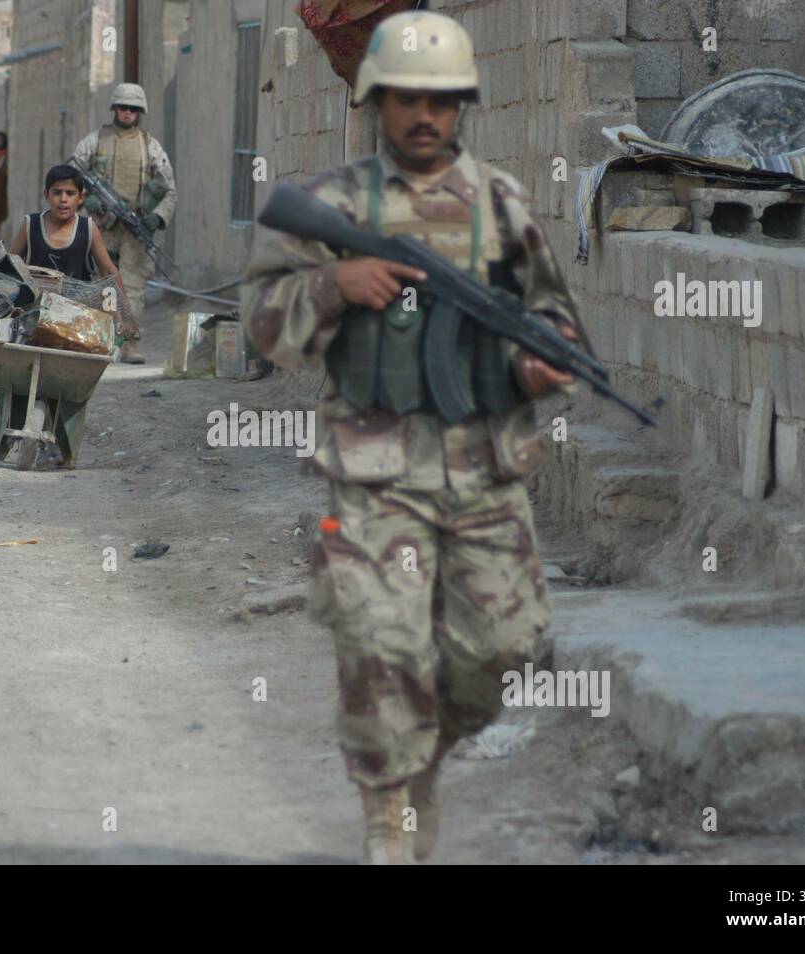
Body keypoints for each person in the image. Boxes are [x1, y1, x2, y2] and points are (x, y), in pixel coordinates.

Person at [241, 10, 586, 864]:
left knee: (503, 654)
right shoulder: (331, 206)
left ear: (462, 104)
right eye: (406, 99)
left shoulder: (503, 207)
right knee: (379, 653)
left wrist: (546, 364)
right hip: (373, 475)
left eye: (439, 100)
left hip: (486, 474)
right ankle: (391, 826)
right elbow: (261, 326)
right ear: (377, 100)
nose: (423, 115)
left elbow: (550, 317)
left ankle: (417, 758)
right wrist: (332, 283)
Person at [3, 165, 128, 468]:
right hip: (34, 317)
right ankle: (16, 435)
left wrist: (123, 314)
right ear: (46, 195)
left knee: (71, 386)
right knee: (19, 377)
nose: (63, 199)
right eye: (57, 192)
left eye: (70, 193)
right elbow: (10, 266)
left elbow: (109, 272)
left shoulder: (87, 230)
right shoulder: (30, 226)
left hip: (75, 321)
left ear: (80, 198)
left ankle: (66, 448)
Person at [72, 83, 177, 364]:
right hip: (101, 226)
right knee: (101, 284)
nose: (128, 113)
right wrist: (87, 202)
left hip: (134, 229)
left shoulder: (150, 146)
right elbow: (70, 177)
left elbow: (169, 187)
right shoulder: (94, 141)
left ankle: (129, 343)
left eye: (133, 109)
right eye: (123, 107)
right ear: (115, 109)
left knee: (132, 286)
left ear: (139, 112)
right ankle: (101, 341)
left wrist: (157, 217)